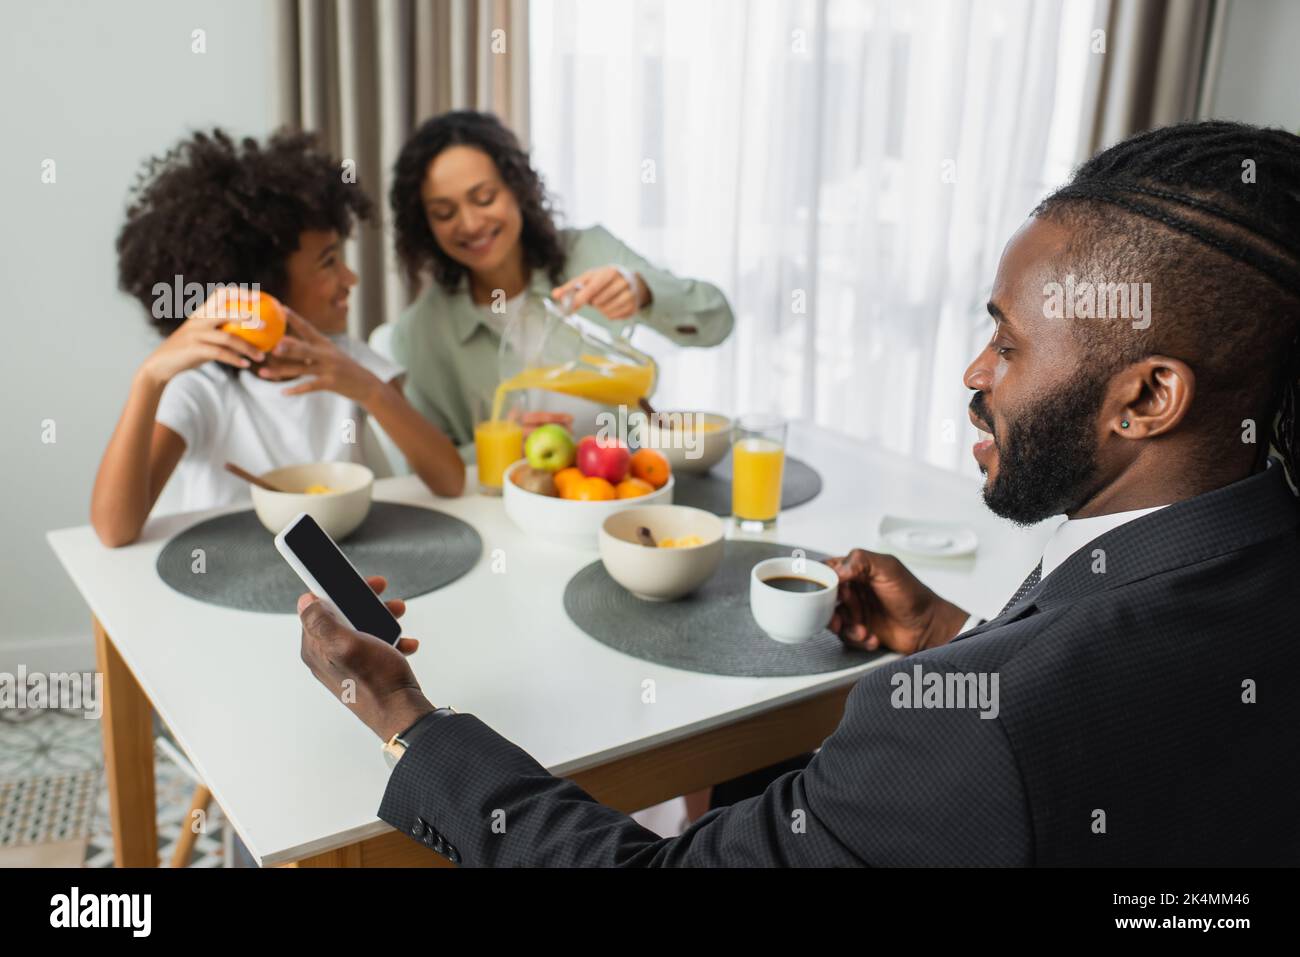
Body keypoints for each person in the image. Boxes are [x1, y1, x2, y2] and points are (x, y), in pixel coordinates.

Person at [297, 121, 1300, 866]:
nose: (971, 373)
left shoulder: (951, 733)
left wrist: (406, 720)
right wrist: (957, 637)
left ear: (1149, 396)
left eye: (1008, 343)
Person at [92, 129, 464, 547]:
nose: (350, 279)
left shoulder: (346, 361)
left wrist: (366, 388)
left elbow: (449, 480)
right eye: (328, 263)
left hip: (343, 570)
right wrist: (149, 379)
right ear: (263, 289)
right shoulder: (203, 390)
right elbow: (113, 531)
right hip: (226, 577)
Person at [386, 111, 734, 447]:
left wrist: (644, 291)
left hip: (624, 481)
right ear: (425, 225)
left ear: (517, 189)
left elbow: (717, 321)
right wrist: (498, 444)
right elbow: (431, 466)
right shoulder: (420, 334)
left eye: (484, 198)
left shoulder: (589, 253)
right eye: (444, 213)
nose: (471, 223)